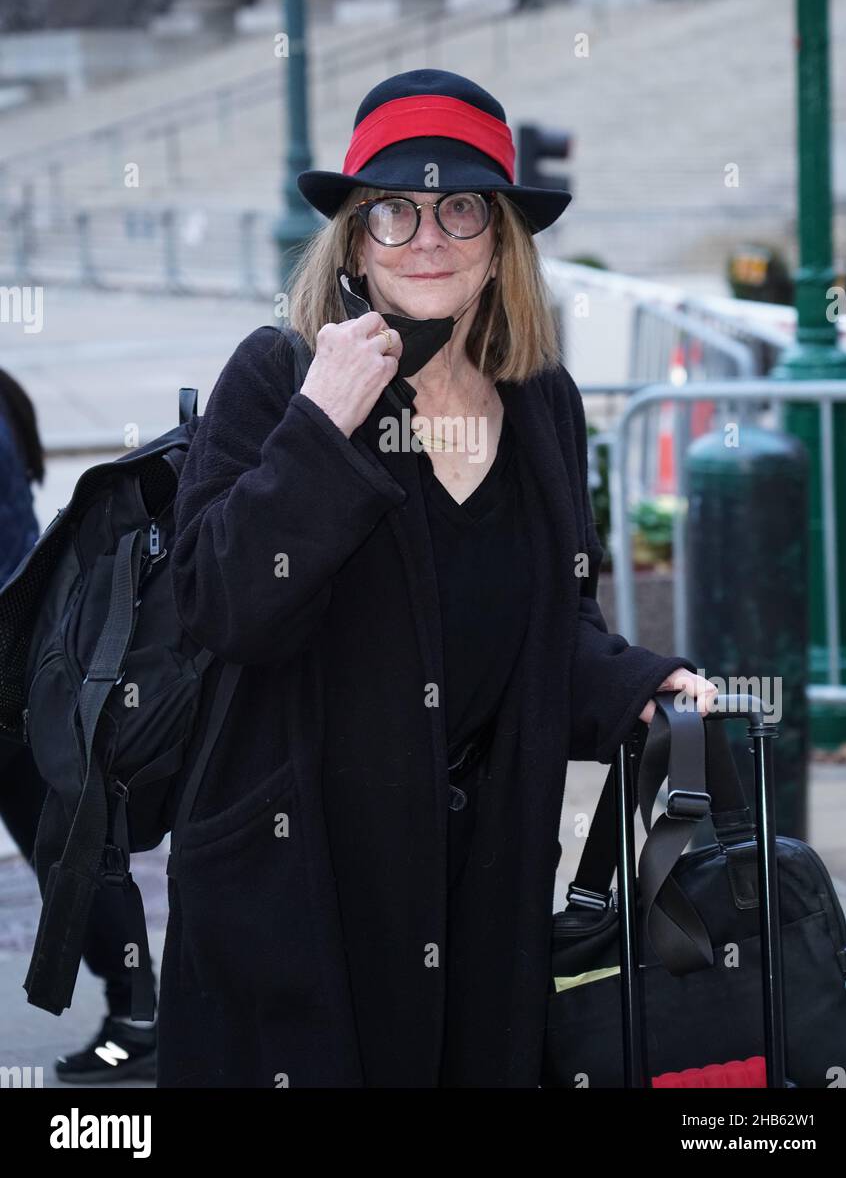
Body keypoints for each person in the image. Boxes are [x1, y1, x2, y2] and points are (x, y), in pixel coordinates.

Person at [159, 68, 716, 1088]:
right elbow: (221, 603)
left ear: (499, 236)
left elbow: (555, 619)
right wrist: (323, 422)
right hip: (305, 873)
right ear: (354, 239)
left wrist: (640, 683)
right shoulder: (280, 374)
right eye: (393, 212)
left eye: (458, 206)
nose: (426, 237)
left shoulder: (537, 395)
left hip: (482, 874)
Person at [0, 367, 158, 1084]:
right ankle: (139, 1016)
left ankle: (140, 1019)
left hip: (16, 674)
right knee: (71, 843)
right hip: (25, 663)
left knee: (75, 848)